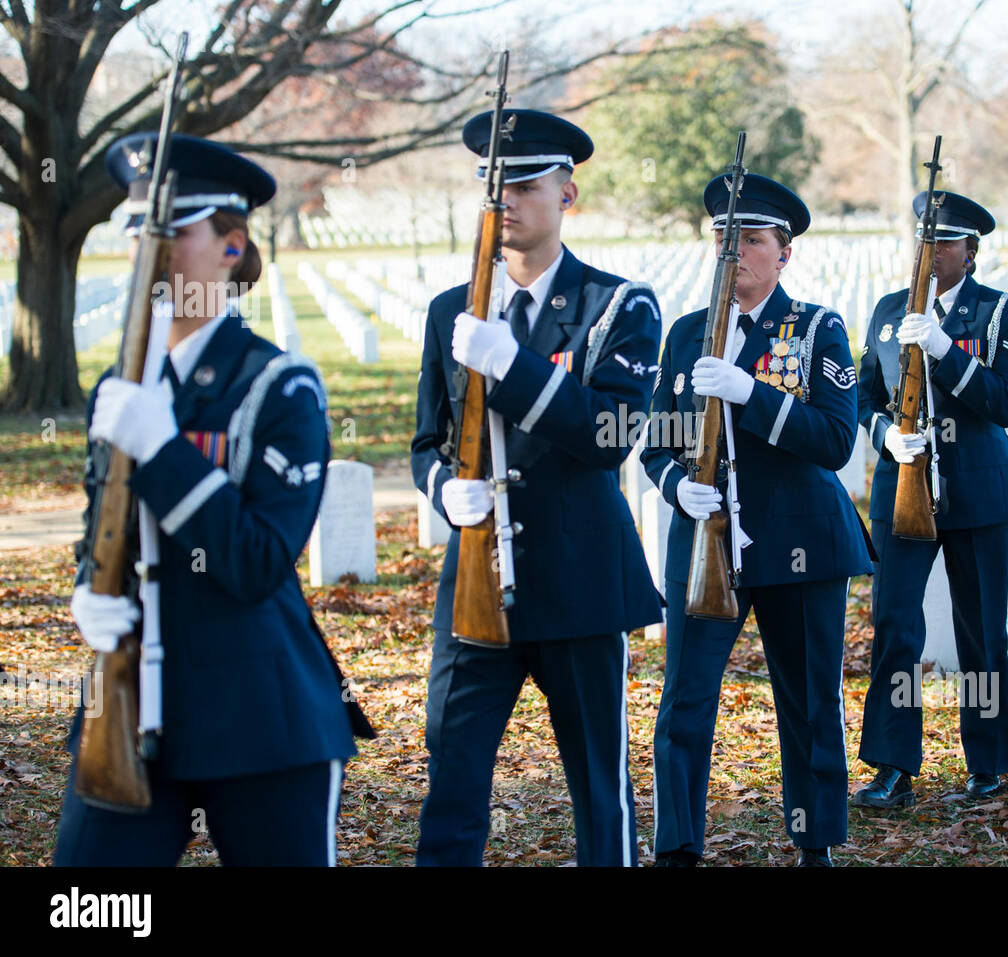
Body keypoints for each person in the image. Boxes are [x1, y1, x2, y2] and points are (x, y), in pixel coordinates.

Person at [55, 133, 373, 866]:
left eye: (172, 231)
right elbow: (98, 523)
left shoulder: (278, 385)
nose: (149, 249)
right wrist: (86, 590)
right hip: (130, 703)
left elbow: (257, 561)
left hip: (262, 717)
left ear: (232, 247)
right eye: (136, 231)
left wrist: (165, 452)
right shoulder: (121, 385)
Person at [410, 110, 662, 867]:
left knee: (598, 783)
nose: (505, 201)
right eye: (492, 187)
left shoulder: (619, 306)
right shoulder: (450, 310)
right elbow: (428, 439)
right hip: (475, 585)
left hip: (579, 578)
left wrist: (512, 366)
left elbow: (611, 433)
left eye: (523, 183)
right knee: (451, 779)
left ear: (568, 193)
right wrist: (441, 489)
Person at [641, 174, 872, 867]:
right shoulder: (686, 334)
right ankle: (679, 844)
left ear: (784, 253)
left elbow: (835, 441)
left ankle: (814, 840)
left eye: (750, 238)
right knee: (684, 699)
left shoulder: (817, 328)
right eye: (721, 236)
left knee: (806, 699)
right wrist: (677, 485)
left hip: (801, 537)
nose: (732, 250)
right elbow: (656, 440)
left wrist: (752, 394)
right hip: (708, 539)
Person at [853, 192, 1008, 809]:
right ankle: (892, 763)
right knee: (895, 624)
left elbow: (1007, 403)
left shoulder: (999, 312)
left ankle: (986, 759)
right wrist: (888, 437)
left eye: (944, 243)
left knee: (979, 628)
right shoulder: (885, 310)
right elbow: (863, 398)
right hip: (901, 488)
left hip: (978, 489)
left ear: (970, 251)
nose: (929, 254)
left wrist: (944, 351)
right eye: (923, 241)